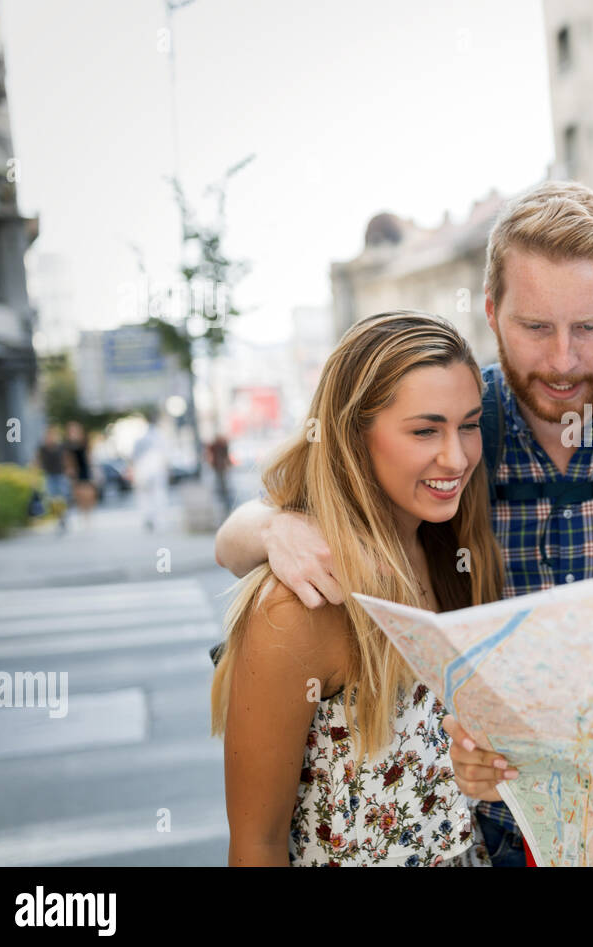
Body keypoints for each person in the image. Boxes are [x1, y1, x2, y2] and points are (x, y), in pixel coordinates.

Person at [213, 181, 593, 865]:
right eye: (534, 328)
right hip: (493, 840)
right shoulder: (464, 415)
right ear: (491, 313)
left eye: (589, 327)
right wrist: (268, 529)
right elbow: (313, 482)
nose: (562, 360)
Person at [210, 311, 505, 866]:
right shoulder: (298, 606)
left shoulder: (449, 551)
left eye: (469, 424)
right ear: (352, 436)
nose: (458, 456)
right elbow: (256, 844)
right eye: (425, 430)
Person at [132, 412, 170, 532]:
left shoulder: (139, 437)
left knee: (146, 496)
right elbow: (166, 455)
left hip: (143, 470)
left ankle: (149, 518)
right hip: (156, 470)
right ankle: (158, 520)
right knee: (158, 494)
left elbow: (134, 456)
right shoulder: (160, 436)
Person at [38, 425, 70, 534]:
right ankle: (59, 518)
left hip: (60, 475)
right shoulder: (42, 448)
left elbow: (66, 459)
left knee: (62, 497)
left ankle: (63, 517)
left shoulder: (61, 447)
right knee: (53, 499)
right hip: (49, 475)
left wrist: (68, 469)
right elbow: (38, 460)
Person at [64, 420, 96, 530]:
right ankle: (82, 516)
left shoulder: (84, 443)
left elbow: (89, 457)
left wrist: (93, 469)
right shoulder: (67, 445)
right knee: (79, 495)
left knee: (89, 494)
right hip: (75, 472)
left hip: (85, 470)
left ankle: (88, 515)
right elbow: (67, 459)